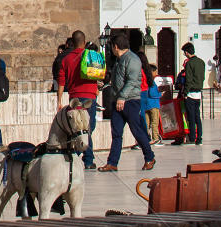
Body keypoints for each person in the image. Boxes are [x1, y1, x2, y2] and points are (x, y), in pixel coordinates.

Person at [99, 32, 155, 172]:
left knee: (136, 130)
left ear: (116, 46)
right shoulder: (119, 60)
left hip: (130, 101)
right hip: (118, 100)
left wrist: (122, 97)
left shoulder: (132, 59)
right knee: (116, 132)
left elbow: (131, 81)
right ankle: (112, 162)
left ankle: (149, 157)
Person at [54, 30, 101, 168]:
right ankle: (88, 159)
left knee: (75, 127)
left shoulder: (66, 59)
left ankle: (74, 155)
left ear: (72, 43)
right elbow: (98, 75)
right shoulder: (91, 56)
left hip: (74, 98)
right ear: (84, 42)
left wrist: (59, 100)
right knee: (88, 128)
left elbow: (61, 82)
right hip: (90, 97)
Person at [177, 42, 205, 146]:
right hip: (198, 93)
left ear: (187, 52)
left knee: (191, 117)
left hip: (190, 93)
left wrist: (185, 92)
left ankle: (192, 138)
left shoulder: (189, 63)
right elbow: (202, 78)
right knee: (198, 116)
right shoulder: (201, 62)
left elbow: (188, 80)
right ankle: (200, 138)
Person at [141, 62, 163, 146]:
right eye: (155, 72)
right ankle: (155, 138)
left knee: (146, 123)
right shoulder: (151, 82)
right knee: (154, 122)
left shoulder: (144, 80)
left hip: (146, 105)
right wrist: (160, 94)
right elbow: (152, 93)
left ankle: (146, 138)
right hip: (153, 105)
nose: (156, 74)